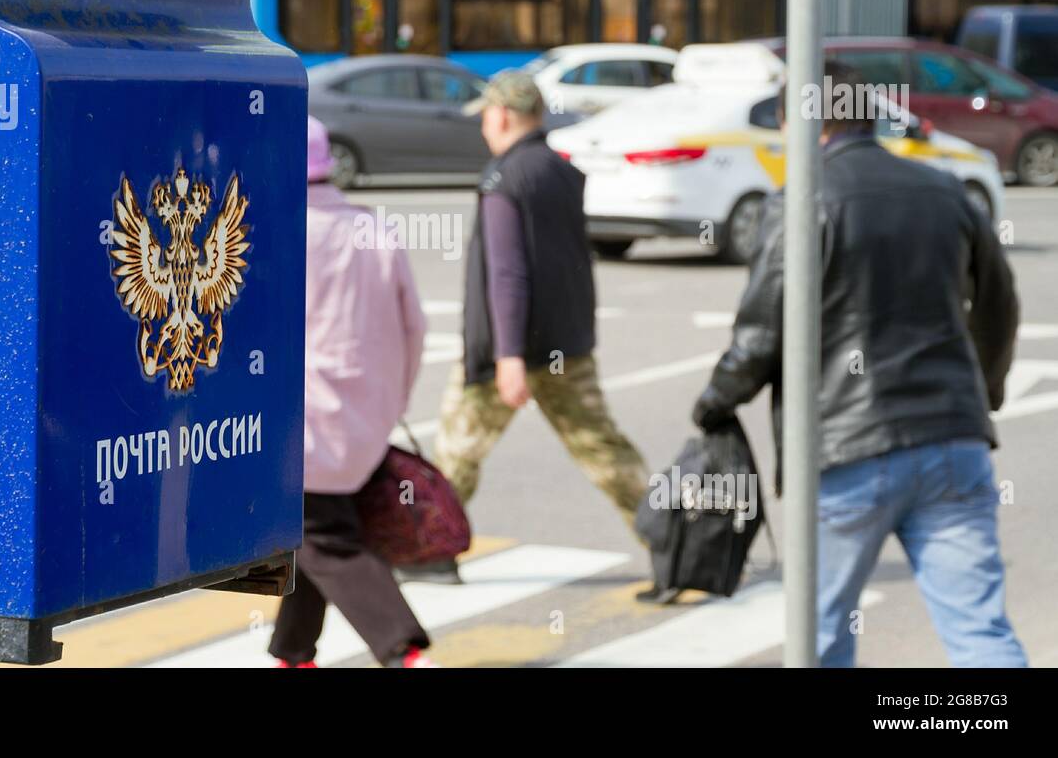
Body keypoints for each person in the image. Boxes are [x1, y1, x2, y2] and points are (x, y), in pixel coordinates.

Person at [692, 63, 1027, 667]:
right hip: (953, 440)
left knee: (819, 637)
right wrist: (985, 389)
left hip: (844, 455)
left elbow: (762, 331)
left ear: (805, 124)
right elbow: (1000, 303)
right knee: (981, 635)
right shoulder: (945, 189)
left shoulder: (800, 202)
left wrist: (717, 400)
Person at [424, 72, 650, 580]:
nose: (484, 124)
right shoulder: (560, 170)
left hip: (507, 349)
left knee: (458, 449)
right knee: (604, 449)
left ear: (502, 115)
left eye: (486, 114)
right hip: (565, 344)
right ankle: (668, 539)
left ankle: (433, 552)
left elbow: (507, 272)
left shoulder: (503, 178)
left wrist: (506, 356)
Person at [268, 117, 436, 669]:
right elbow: (414, 325)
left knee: (322, 537)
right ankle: (294, 655)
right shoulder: (372, 229)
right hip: (364, 414)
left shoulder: (277, 229)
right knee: (312, 527)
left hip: (303, 418)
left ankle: (403, 648)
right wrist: (394, 400)